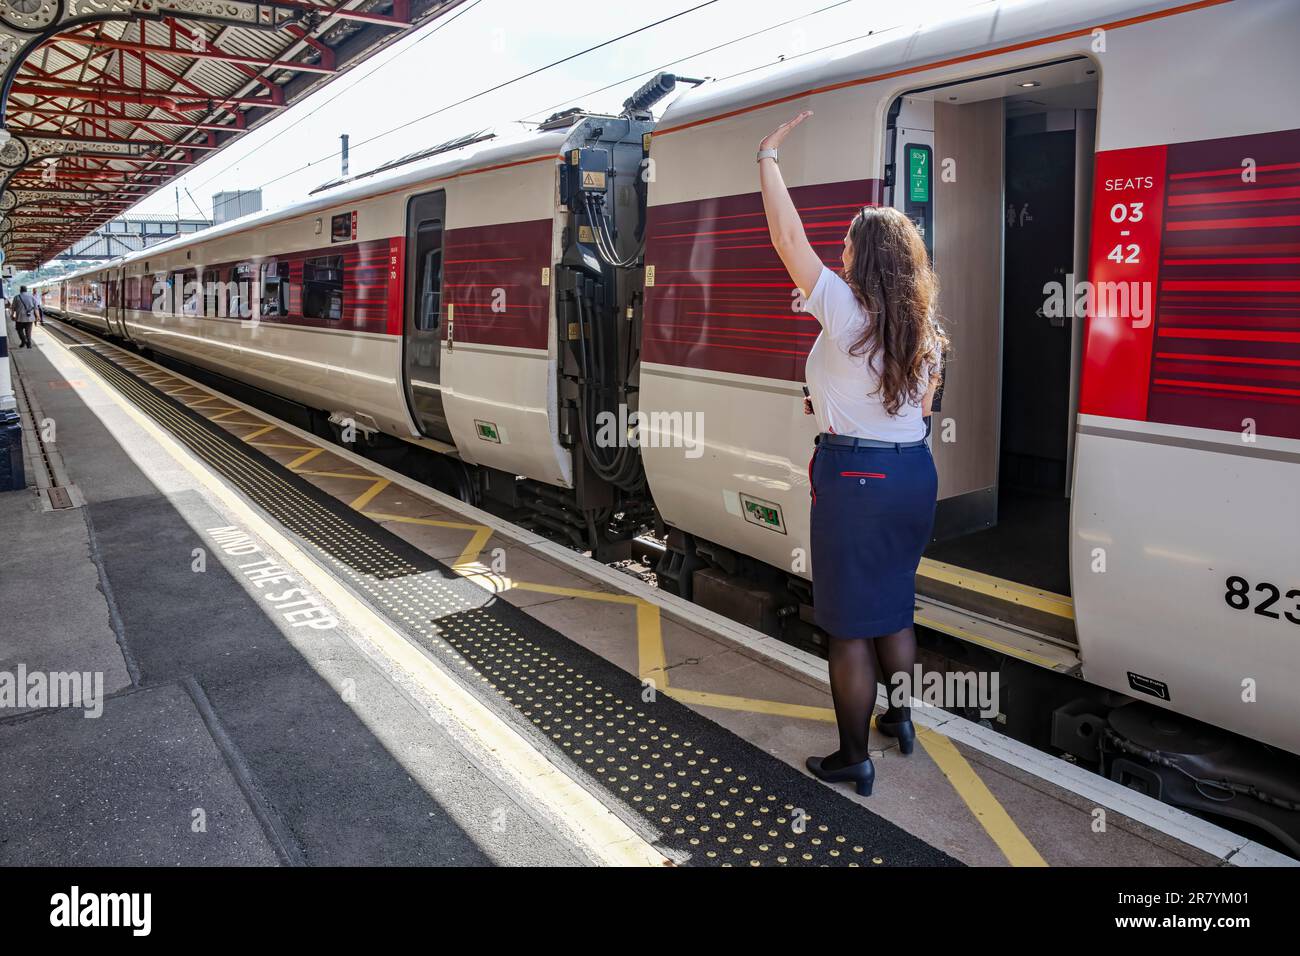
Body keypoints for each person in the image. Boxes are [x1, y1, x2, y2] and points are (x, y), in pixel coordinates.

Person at [757, 111, 948, 797]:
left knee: (846, 626)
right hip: (911, 475)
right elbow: (916, 411)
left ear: (862, 258)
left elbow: (785, 236)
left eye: (843, 245)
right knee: (893, 606)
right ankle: (900, 723)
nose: (834, 254)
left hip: (856, 479)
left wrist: (767, 158)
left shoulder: (844, 308)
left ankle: (851, 758)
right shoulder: (922, 328)